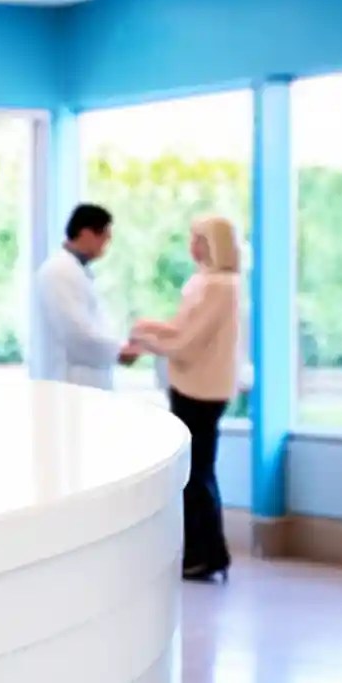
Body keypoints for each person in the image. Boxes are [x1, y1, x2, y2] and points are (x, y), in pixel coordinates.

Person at [130, 215, 242, 582]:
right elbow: (183, 328)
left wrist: (146, 341)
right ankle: (205, 552)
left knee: (196, 475)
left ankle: (206, 554)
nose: (192, 246)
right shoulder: (207, 283)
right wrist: (150, 328)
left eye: (198, 239)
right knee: (198, 471)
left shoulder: (219, 287)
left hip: (200, 390)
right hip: (195, 387)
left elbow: (188, 342)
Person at [31, 203, 139, 390]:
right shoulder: (59, 271)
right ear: (87, 234)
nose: (105, 247)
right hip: (69, 381)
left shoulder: (76, 271)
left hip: (82, 382)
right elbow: (76, 335)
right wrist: (118, 353)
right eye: (104, 238)